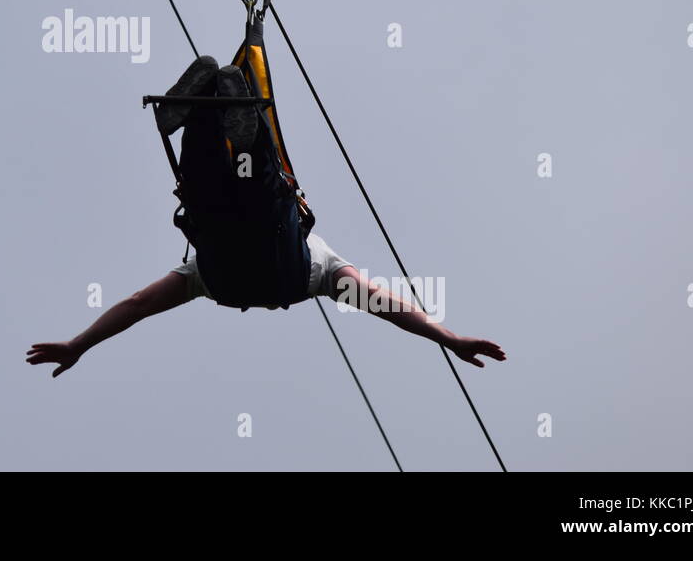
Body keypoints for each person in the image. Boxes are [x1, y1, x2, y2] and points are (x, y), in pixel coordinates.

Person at [27, 56, 507, 378]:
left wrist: (82, 343)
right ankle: (205, 117)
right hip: (241, 253)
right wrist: (447, 337)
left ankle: (207, 114)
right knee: (220, 189)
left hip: (245, 246)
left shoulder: (318, 267)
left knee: (241, 187)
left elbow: (135, 305)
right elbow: (387, 306)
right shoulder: (309, 272)